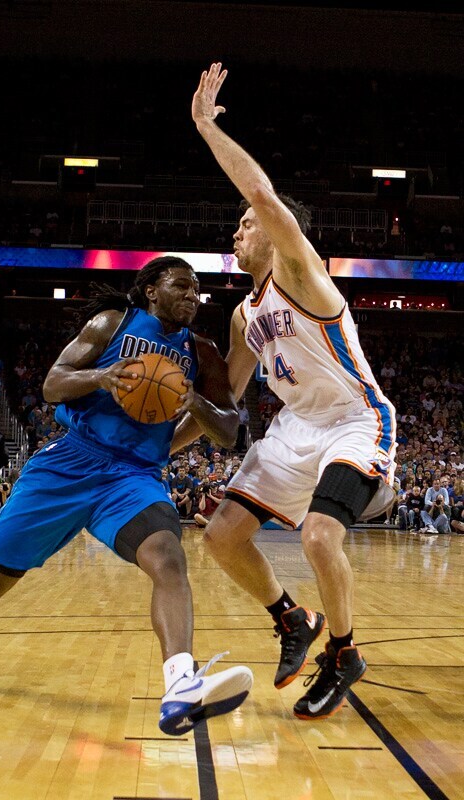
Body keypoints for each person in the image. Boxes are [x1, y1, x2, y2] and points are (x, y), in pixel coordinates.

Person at [0, 256, 253, 737]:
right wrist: (102, 378)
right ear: (151, 289)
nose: (193, 296)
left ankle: (180, 685)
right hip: (69, 462)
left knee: (169, 560)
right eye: (182, 286)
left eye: (198, 290)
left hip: (132, 476)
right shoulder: (112, 324)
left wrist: (193, 400)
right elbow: (53, 385)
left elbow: (230, 430)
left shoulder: (202, 352)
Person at [173, 64, 396, 721]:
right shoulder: (245, 315)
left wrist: (207, 127)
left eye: (244, 225)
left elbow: (264, 195)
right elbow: (228, 403)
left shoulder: (302, 273)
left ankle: (344, 652)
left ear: (274, 232)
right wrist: (159, 444)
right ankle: (293, 619)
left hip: (355, 421)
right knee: (220, 536)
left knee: (321, 538)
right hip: (296, 431)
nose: (236, 234)